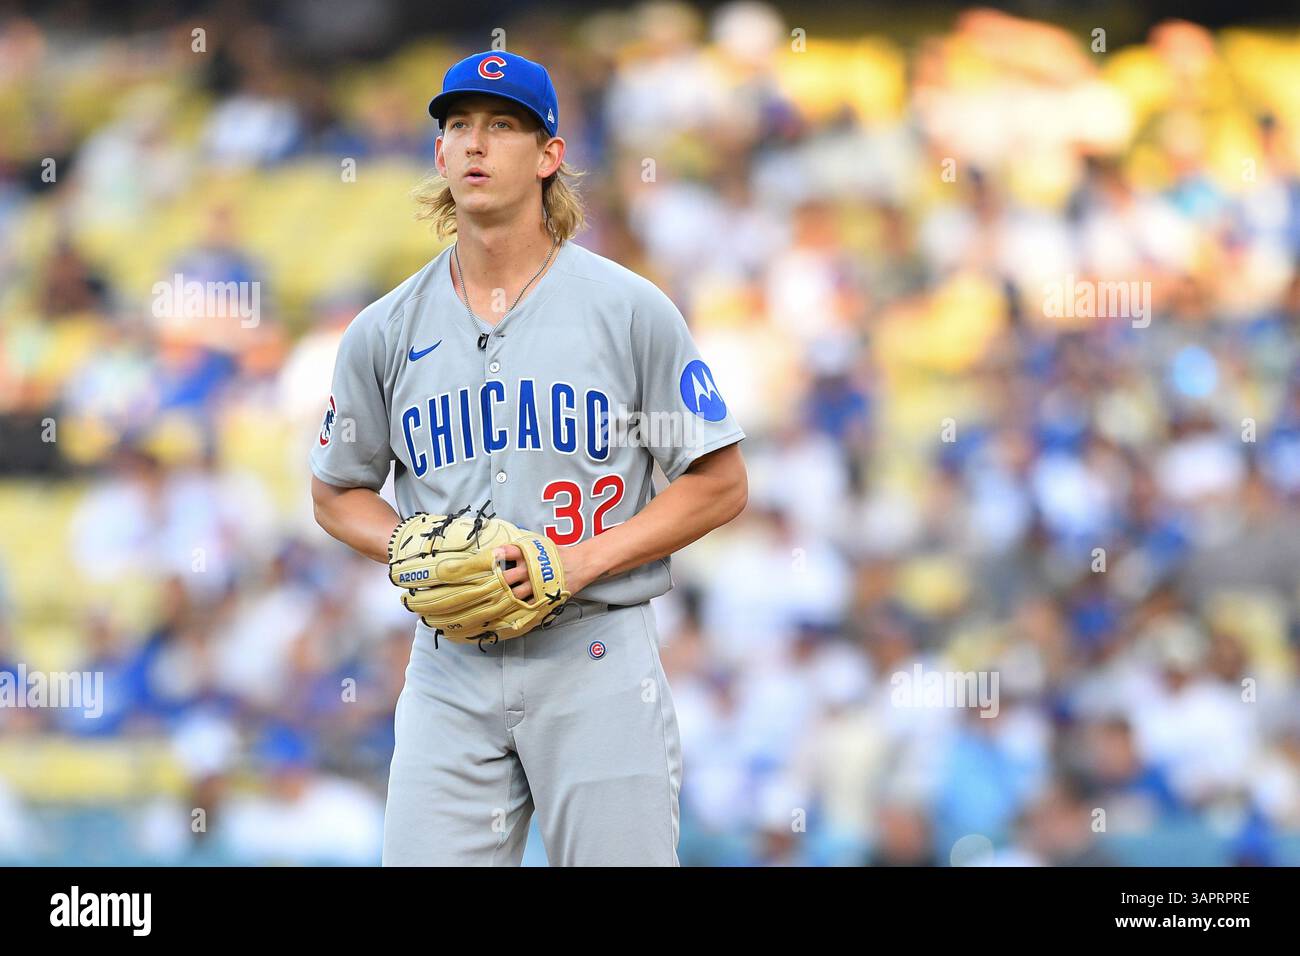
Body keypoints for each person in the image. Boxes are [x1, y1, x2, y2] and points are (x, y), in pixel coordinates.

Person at [309, 50, 748, 866]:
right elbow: (337, 492)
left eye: (502, 125)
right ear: (439, 154)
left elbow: (719, 483)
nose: (474, 143)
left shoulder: (628, 310)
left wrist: (578, 562)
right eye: (457, 126)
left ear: (549, 156)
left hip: (594, 651)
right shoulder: (384, 329)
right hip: (449, 665)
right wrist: (405, 545)